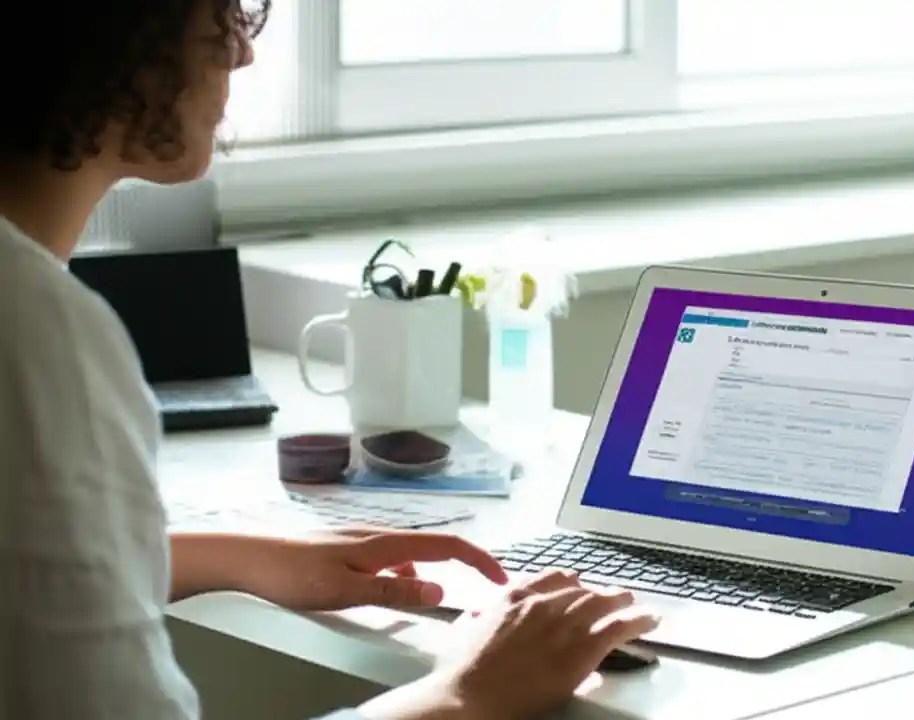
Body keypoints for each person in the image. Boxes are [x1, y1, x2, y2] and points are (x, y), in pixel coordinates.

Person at [0, 2, 659, 719]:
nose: (241, 55)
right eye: (222, 16)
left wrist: (251, 559)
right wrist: (468, 691)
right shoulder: (35, 337)